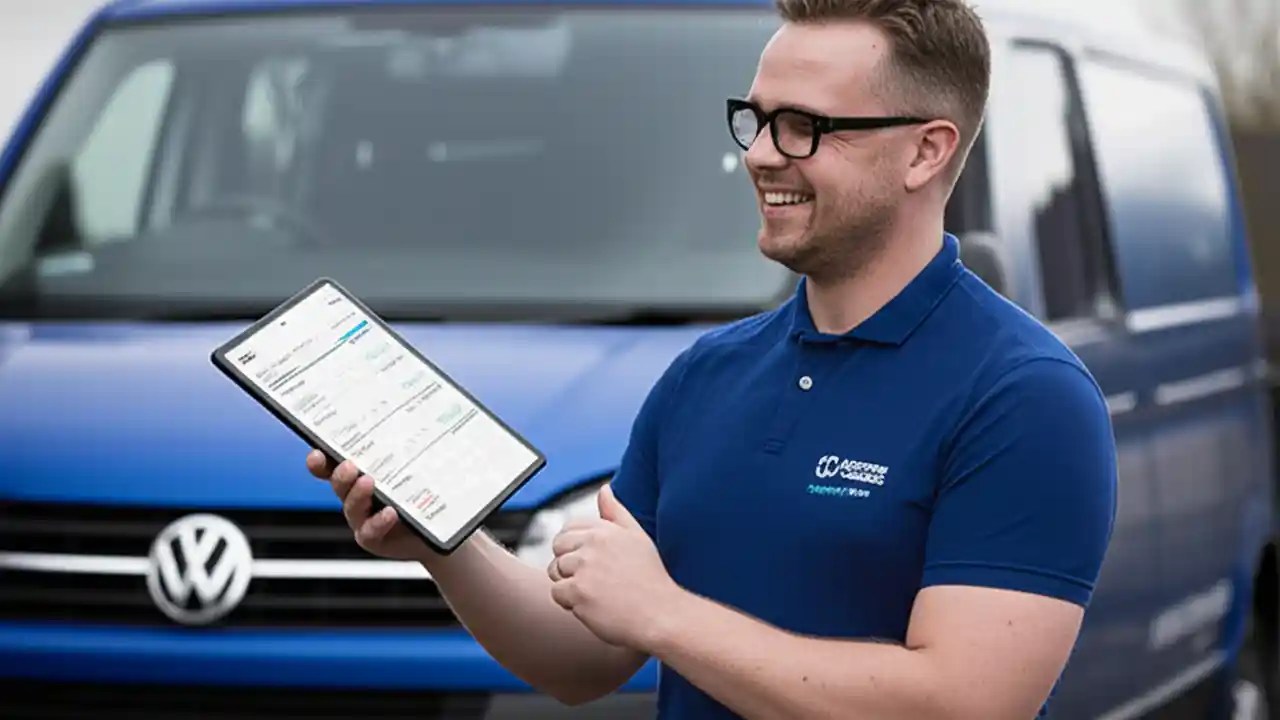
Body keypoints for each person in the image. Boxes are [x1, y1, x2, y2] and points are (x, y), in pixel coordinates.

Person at [307, 0, 1118, 717]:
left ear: (926, 152)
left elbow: (961, 706)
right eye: (755, 119)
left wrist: (666, 616)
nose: (761, 155)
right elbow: (586, 658)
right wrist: (445, 546)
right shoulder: (708, 376)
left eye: (804, 126)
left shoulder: (1024, 396)